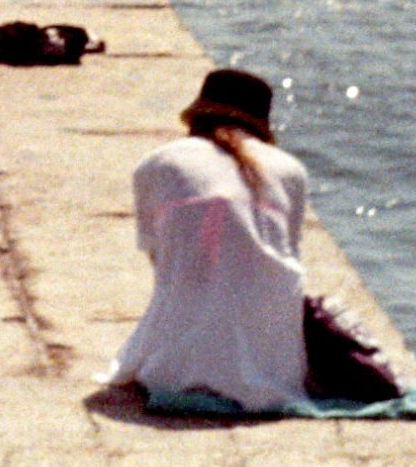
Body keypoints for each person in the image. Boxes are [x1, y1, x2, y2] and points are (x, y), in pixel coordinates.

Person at [106, 68, 312, 414]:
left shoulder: (156, 163)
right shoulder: (291, 169)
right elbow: (289, 254)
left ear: (197, 116)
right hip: (274, 365)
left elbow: (158, 258)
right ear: (260, 124)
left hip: (175, 365)